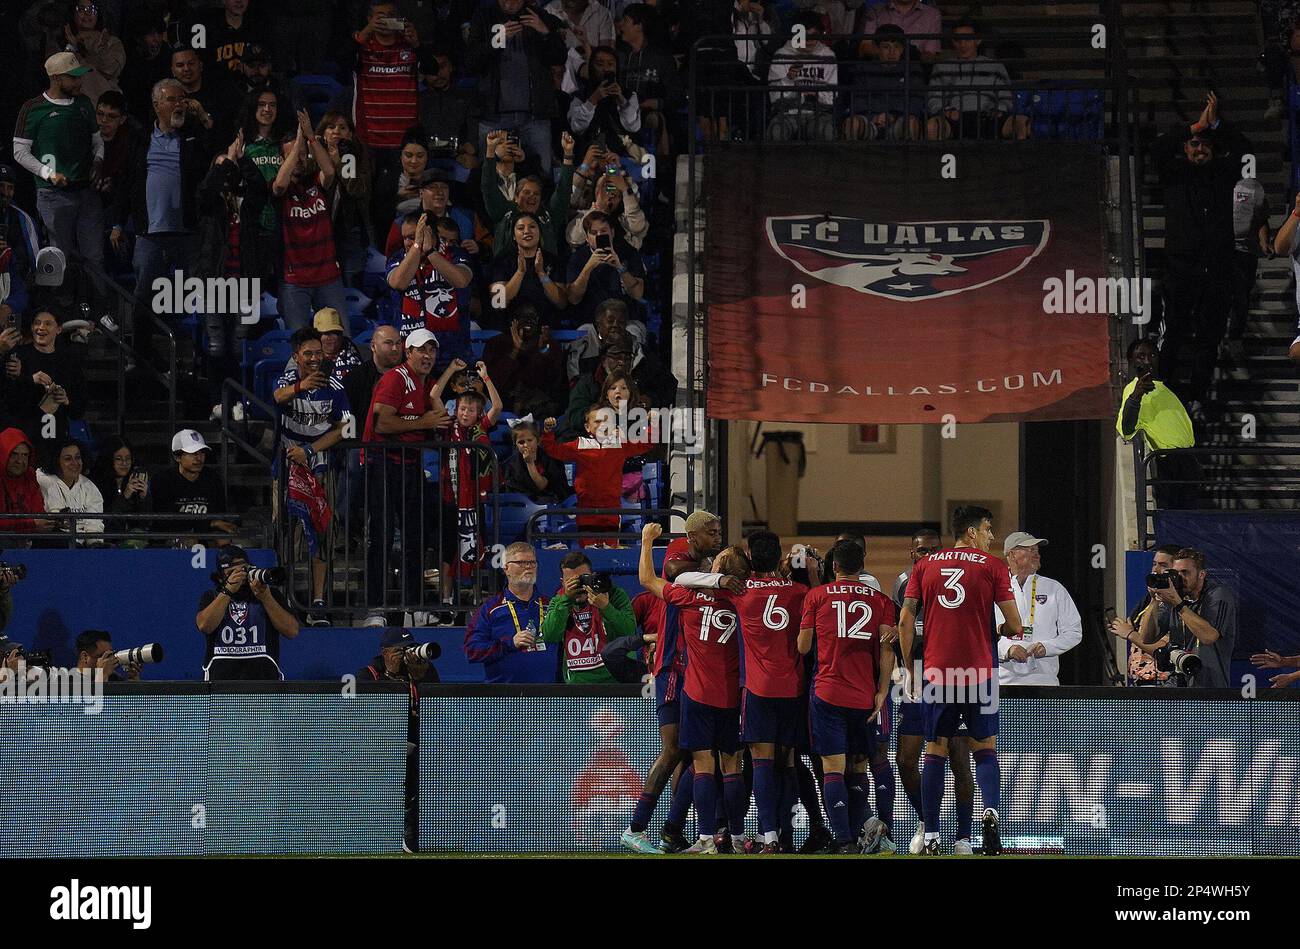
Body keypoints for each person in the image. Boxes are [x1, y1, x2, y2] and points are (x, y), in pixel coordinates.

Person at [898, 504, 1023, 856]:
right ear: (972, 532)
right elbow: (1015, 626)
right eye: (987, 529)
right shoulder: (994, 567)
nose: (991, 537)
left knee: (935, 749)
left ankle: (933, 833)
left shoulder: (923, 566)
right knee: (984, 748)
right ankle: (990, 811)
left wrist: (910, 669)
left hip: (939, 671)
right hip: (980, 671)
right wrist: (996, 628)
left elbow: (906, 620)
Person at [636, 521, 753, 853]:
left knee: (702, 764)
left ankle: (704, 837)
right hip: (734, 695)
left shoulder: (688, 597)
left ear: (718, 570)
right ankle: (736, 835)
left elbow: (649, 579)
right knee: (732, 766)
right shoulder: (747, 601)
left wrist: (646, 541)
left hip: (698, 692)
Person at [794, 538, 899, 854]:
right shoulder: (881, 601)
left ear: (834, 567)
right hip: (864, 697)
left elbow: (802, 647)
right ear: (862, 566)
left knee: (832, 769)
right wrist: (882, 691)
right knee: (858, 767)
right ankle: (867, 824)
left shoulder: (816, 596)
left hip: (828, 692)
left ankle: (845, 840)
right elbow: (886, 651)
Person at [1151, 92, 1249, 412]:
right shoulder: (1173, 174)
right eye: (1195, 144)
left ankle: (1196, 396)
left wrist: (1216, 124)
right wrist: (1194, 126)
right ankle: (1161, 388)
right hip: (1181, 268)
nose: (1200, 148)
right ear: (1186, 147)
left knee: (1209, 336)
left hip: (1217, 268)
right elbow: (1156, 149)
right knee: (1176, 330)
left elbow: (1244, 147)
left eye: (1206, 144)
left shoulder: (1224, 173)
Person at [114, 78, 213, 366]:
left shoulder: (192, 136)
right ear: (157, 105)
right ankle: (140, 354)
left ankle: (191, 354)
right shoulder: (141, 138)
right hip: (150, 233)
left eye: (182, 99)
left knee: (190, 295)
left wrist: (203, 117)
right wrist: (118, 223)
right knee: (144, 294)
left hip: (188, 232)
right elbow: (125, 182)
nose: (179, 104)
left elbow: (213, 158)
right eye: (172, 99)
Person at [891, 525, 974, 854]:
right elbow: (901, 626)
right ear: (913, 553)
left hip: (955, 674)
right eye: (922, 550)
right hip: (916, 677)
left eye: (933, 549)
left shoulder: (956, 580)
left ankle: (964, 836)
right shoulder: (902, 582)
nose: (928, 555)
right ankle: (928, 821)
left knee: (958, 758)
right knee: (907, 758)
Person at [360, 328, 449, 625]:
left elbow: (441, 420)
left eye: (432, 350)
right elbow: (381, 422)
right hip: (383, 464)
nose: (427, 356)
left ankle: (414, 606)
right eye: (421, 350)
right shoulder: (395, 378)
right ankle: (376, 609)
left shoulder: (428, 384)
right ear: (408, 353)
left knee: (415, 537)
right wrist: (423, 420)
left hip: (411, 465)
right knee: (382, 537)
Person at [273, 327, 353, 623]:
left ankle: (318, 602)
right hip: (285, 471)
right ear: (296, 356)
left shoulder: (335, 385)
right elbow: (277, 395)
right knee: (287, 534)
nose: (315, 358)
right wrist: (301, 387)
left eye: (318, 352)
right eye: (308, 353)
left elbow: (346, 428)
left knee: (322, 534)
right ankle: (285, 600)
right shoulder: (288, 380)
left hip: (321, 470)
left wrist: (310, 450)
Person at [13, 53, 105, 308]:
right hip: (52, 195)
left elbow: (97, 140)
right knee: (58, 255)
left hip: (86, 192)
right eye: (72, 77)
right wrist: (48, 174)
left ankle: (98, 310)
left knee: (94, 255)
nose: (78, 82)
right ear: (55, 78)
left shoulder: (84, 103)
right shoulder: (32, 109)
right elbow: (19, 152)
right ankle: (60, 312)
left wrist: (97, 162)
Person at [466, 0, 568, 177]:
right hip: (493, 116)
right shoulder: (484, 16)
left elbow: (559, 57)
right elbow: (472, 62)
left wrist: (545, 32)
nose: (509, 3)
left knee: (540, 175)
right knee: (489, 174)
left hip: (535, 117)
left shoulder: (538, 16)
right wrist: (497, 41)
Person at [273, 108, 347, 331]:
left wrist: (310, 138)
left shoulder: (317, 182)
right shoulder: (280, 189)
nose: (298, 160)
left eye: (303, 155)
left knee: (341, 338)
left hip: (328, 278)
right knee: (299, 344)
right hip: (294, 281)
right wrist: (297, 145)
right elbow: (279, 185)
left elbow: (330, 172)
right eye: (294, 156)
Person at [541, 411, 649, 546]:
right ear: (587, 427)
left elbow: (646, 444)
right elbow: (553, 450)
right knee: (588, 548)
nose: (602, 424)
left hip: (612, 507)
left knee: (610, 549)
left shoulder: (620, 444)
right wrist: (548, 432)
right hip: (586, 507)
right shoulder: (580, 444)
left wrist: (651, 424)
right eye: (597, 421)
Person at [1138, 547, 1238, 689]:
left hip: (1209, 687)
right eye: (1176, 573)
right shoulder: (1174, 598)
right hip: (1176, 684)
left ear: (1201, 574)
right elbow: (1146, 638)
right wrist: (1154, 600)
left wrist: (1178, 604)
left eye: (1185, 573)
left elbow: (1209, 636)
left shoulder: (1218, 595)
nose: (1180, 578)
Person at [1116, 338, 1198, 511]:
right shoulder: (1132, 390)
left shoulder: (1166, 388)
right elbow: (1126, 429)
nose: (1148, 361)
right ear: (1132, 361)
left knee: (1191, 517)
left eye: (1152, 355)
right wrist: (1136, 397)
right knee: (1174, 519)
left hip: (1187, 459)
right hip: (1167, 462)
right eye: (1141, 356)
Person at [195, 545, 300, 680]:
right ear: (221, 578)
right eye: (232, 572)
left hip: (264, 683)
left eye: (244, 570)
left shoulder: (270, 594)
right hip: (220, 685)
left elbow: (292, 631)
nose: (241, 577)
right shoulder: (212, 596)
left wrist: (266, 598)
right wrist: (227, 591)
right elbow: (204, 625)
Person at [386, 211, 474, 367]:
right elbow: (398, 283)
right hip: (411, 354)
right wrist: (418, 245)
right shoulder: (397, 259)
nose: (410, 242)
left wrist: (430, 252)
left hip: (452, 353)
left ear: (432, 235)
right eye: (407, 237)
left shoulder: (455, 254)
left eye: (415, 236)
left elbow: (461, 280)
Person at [995, 532, 1082, 686]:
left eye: (1037, 550)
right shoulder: (994, 589)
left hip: (1045, 682)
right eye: (1030, 549)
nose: (1037, 554)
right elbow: (981, 635)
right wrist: (1007, 650)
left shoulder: (1054, 588)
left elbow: (1074, 632)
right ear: (1012, 554)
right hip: (1003, 683)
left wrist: (1047, 647)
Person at [463, 540, 556, 681]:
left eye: (532, 562)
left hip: (549, 696)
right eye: (521, 563)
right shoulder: (490, 609)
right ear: (506, 568)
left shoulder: (551, 606)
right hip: (504, 697)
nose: (528, 567)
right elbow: (472, 650)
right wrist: (509, 644)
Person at [540, 550, 636, 683]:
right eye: (571, 581)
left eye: (582, 579)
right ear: (562, 582)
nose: (579, 586)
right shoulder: (559, 601)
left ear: (592, 576)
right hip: (578, 687)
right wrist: (567, 599)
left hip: (616, 683)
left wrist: (606, 608)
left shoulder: (614, 595)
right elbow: (550, 636)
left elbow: (629, 632)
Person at [925, 21, 1012, 142]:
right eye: (957, 40)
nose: (963, 44)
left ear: (978, 40)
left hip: (988, 118)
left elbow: (1006, 97)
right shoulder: (941, 67)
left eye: (967, 39)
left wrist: (999, 110)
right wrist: (946, 110)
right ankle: (937, 160)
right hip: (955, 118)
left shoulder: (995, 66)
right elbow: (934, 99)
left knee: (1021, 122)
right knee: (932, 126)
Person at [352, 3, 422, 155]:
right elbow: (343, 65)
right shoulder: (360, 45)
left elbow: (433, 70)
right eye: (381, 16)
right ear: (370, 19)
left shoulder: (409, 45)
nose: (386, 20)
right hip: (369, 139)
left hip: (406, 142)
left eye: (391, 15)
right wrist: (364, 33)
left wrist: (417, 44)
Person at [11, 309, 86, 444]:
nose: (41, 328)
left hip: (57, 438)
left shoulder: (69, 361)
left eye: (48, 324)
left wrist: (67, 400)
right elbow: (9, 399)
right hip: (24, 439)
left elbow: (79, 409)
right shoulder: (19, 357)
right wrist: (30, 380)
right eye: (37, 323)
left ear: (58, 329)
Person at [616, 4, 681, 156]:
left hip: (647, 113)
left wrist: (655, 103)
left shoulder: (661, 58)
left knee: (656, 119)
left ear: (639, 26)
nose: (620, 26)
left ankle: (660, 171)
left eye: (625, 21)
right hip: (621, 114)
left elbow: (677, 95)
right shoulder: (619, 56)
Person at [482, 304, 569, 418]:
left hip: (540, 406)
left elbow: (554, 384)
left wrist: (541, 353)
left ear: (538, 320)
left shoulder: (549, 345)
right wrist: (515, 351)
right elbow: (494, 382)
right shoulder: (496, 343)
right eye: (523, 316)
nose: (528, 321)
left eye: (532, 317)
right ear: (513, 321)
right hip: (504, 402)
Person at [150, 429, 235, 543]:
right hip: (172, 535)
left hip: (205, 532)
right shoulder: (163, 480)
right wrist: (211, 523)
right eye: (192, 453)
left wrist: (212, 525)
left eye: (201, 452)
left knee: (224, 539)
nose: (199, 458)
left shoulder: (212, 478)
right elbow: (165, 520)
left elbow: (219, 514)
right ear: (177, 457)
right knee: (189, 540)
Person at [842, 23, 925, 141]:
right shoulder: (861, 69)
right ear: (876, 48)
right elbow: (857, 100)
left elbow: (916, 100)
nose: (892, 52)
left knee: (911, 123)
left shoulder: (913, 69)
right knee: (852, 123)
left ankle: (909, 158)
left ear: (902, 49)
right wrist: (874, 117)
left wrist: (893, 116)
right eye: (886, 47)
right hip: (870, 121)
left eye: (896, 47)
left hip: (899, 119)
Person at [565, 210, 646, 327]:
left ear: (612, 232)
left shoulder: (629, 252)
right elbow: (573, 298)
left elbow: (637, 294)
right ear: (587, 238)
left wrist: (620, 267)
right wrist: (588, 268)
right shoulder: (577, 258)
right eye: (593, 233)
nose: (599, 236)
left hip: (627, 321)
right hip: (590, 322)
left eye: (603, 231)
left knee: (633, 332)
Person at [485, 212, 568, 327]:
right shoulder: (501, 262)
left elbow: (561, 303)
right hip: (509, 329)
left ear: (540, 232)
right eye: (520, 228)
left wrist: (542, 274)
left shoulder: (553, 261)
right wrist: (519, 273)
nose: (527, 231)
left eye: (532, 227)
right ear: (513, 235)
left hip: (546, 329)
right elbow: (498, 303)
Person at [766, 12, 838, 142]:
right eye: (805, 36)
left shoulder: (828, 56)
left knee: (825, 131)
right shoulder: (782, 55)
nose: (809, 41)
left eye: (814, 36)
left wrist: (814, 95)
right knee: (776, 131)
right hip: (787, 113)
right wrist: (789, 80)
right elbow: (775, 97)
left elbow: (831, 98)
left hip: (818, 114)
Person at [1226, 175, 1270, 363]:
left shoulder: (1252, 187)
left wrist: (1264, 243)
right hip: (1220, 251)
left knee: (1241, 299)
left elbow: (1261, 218)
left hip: (1246, 254)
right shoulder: (1214, 182)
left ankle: (1234, 339)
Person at [35, 437, 104, 541]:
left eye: (78, 457)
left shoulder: (90, 487)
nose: (75, 463)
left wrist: (94, 546)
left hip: (83, 550)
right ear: (56, 461)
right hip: (54, 544)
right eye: (68, 459)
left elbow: (94, 526)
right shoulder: (42, 481)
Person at [89, 434, 149, 542]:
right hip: (104, 542)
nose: (124, 463)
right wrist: (124, 496)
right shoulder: (94, 483)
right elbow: (104, 521)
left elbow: (144, 523)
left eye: (128, 458)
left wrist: (143, 498)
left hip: (130, 543)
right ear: (109, 459)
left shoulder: (134, 479)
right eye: (119, 459)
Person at [343, 324, 404, 430]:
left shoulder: (411, 375)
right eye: (388, 343)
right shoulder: (354, 379)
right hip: (364, 443)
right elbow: (347, 420)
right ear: (373, 346)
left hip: (405, 442)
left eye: (398, 343)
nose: (395, 348)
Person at [0, 428, 54, 543]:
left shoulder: (29, 475)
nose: (20, 461)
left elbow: (38, 512)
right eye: (14, 454)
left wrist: (46, 522)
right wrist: (31, 523)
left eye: (25, 455)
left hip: (26, 536)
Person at [502, 419, 570, 503]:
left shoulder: (551, 459)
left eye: (530, 440)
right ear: (515, 445)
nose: (526, 445)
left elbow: (544, 487)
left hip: (551, 503)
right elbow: (515, 494)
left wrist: (530, 463)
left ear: (538, 441)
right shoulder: (511, 466)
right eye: (521, 442)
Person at [859, 0, 942, 63]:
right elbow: (865, 47)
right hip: (879, 70)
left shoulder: (932, 15)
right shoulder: (876, 11)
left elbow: (931, 53)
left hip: (915, 71)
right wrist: (887, 56)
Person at [74, 629, 140, 681]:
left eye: (110, 655)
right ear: (85, 657)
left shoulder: (113, 679)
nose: (108, 660)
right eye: (104, 656)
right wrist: (102, 676)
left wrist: (133, 681)